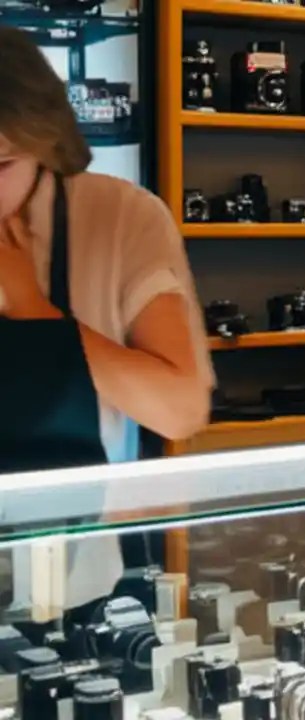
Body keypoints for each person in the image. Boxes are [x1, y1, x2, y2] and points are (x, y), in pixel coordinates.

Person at [0, 28, 212, 473]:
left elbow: (179, 412)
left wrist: (34, 310)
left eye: (2, 165)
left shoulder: (122, 216)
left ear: (45, 143)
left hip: (72, 535)